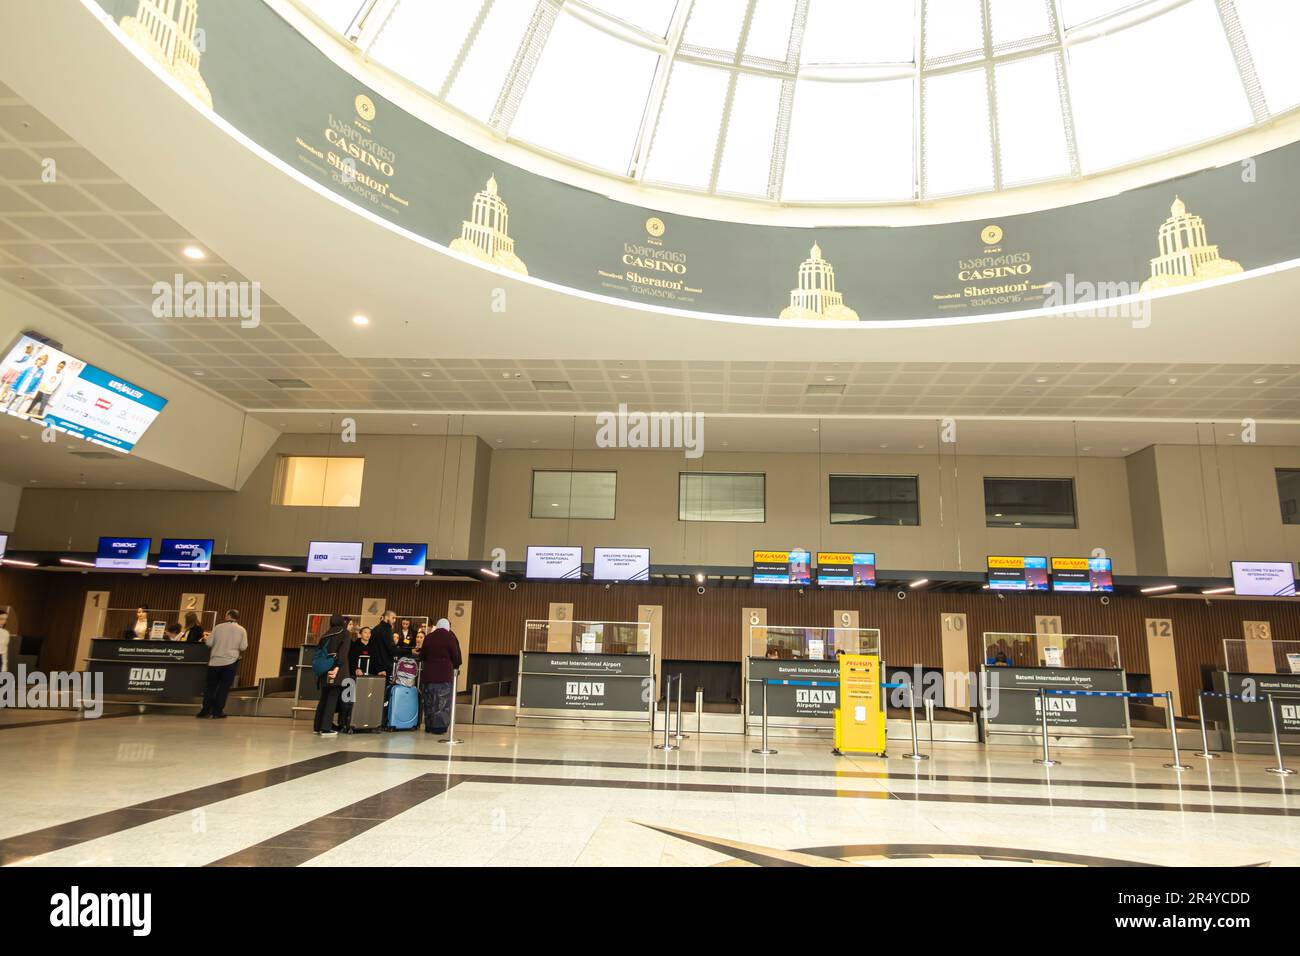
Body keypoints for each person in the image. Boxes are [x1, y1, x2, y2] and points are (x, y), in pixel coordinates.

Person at [198, 609, 247, 719]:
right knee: (223, 688)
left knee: (210, 687)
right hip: (230, 662)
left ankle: (205, 710)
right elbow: (243, 646)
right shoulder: (241, 630)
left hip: (215, 662)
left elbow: (209, 643)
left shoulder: (218, 627)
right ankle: (217, 712)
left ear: (228, 616)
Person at [417, 617, 462, 735]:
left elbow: (422, 655)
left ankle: (429, 725)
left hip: (429, 673)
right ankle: (439, 727)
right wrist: (455, 665)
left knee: (429, 700)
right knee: (442, 701)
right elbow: (456, 656)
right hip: (444, 673)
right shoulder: (450, 637)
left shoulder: (429, 637)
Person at [313, 614, 351, 738]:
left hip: (324, 669)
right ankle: (326, 728)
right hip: (336, 670)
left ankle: (317, 726)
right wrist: (336, 668)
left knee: (324, 697)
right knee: (333, 697)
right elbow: (343, 653)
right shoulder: (344, 633)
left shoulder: (325, 634)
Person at [0, 606, 10, 675]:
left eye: (5, 619)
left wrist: (4, 667)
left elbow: (4, 651)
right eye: (1, 619)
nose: (4, 621)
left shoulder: (6, 633)